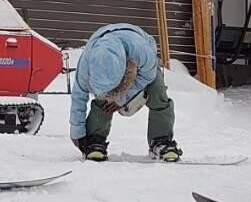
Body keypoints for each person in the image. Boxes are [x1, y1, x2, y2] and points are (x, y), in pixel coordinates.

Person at [69, 24, 181, 161]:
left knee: (157, 92)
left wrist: (121, 99)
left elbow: (148, 76)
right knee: (103, 100)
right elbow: (78, 96)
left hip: (143, 66)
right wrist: (77, 133)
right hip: (113, 55)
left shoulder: (141, 51)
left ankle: (161, 141)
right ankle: (94, 141)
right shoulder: (86, 64)